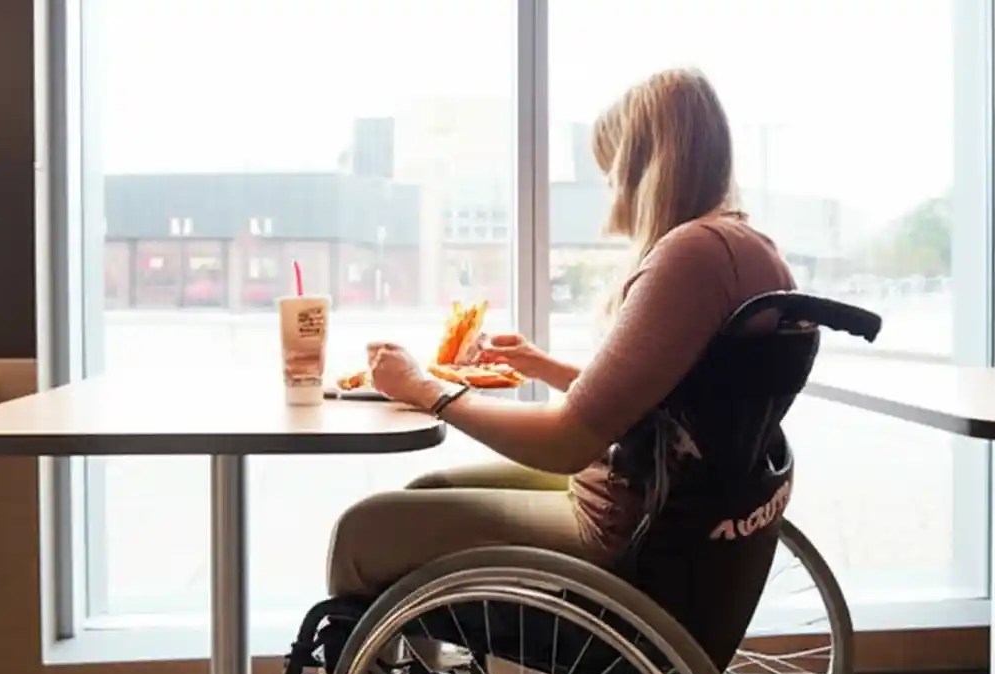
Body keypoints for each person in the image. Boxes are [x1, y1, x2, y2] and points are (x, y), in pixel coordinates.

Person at [327, 66, 795, 601]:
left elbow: (568, 443)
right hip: (653, 503)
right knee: (425, 492)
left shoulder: (690, 258)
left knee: (362, 532)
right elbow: (668, 398)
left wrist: (428, 392)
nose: (611, 190)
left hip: (613, 526)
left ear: (643, 167)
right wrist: (540, 365)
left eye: (612, 173)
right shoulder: (750, 250)